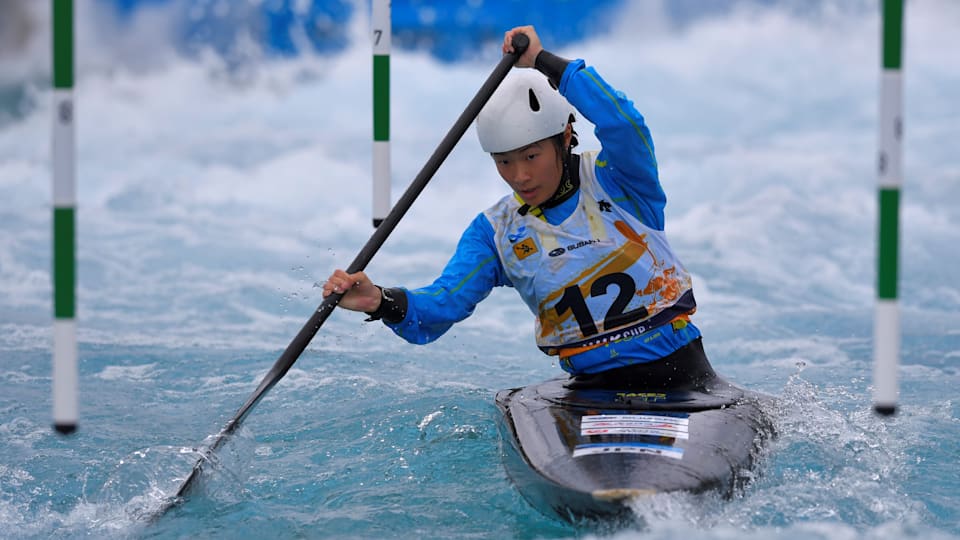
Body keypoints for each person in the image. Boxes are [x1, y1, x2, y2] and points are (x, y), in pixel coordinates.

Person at [323, 25, 717, 390]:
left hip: (682, 375)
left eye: (531, 156)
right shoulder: (495, 233)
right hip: (591, 391)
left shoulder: (621, 181)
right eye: (504, 161)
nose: (519, 176)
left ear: (564, 136)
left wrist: (545, 62)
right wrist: (380, 301)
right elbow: (443, 305)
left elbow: (623, 121)